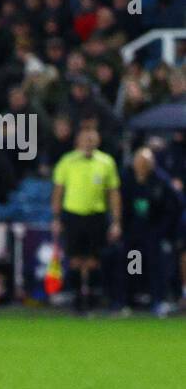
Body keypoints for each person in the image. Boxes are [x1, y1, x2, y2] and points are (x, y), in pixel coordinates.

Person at [51, 125, 121, 313]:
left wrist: (116, 221)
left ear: (97, 140)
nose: (89, 142)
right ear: (78, 141)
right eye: (85, 138)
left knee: (93, 260)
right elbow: (58, 191)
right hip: (73, 215)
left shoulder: (106, 162)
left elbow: (113, 193)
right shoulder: (67, 161)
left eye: (92, 138)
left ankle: (92, 297)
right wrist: (56, 218)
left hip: (96, 215)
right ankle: (76, 299)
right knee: (74, 259)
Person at [113, 147, 182, 317]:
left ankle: (157, 300)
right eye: (140, 162)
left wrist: (164, 229)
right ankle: (129, 299)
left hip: (153, 232)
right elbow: (119, 203)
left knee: (155, 266)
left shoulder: (161, 180)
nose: (142, 165)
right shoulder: (127, 179)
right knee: (132, 265)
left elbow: (176, 205)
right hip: (133, 232)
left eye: (146, 162)